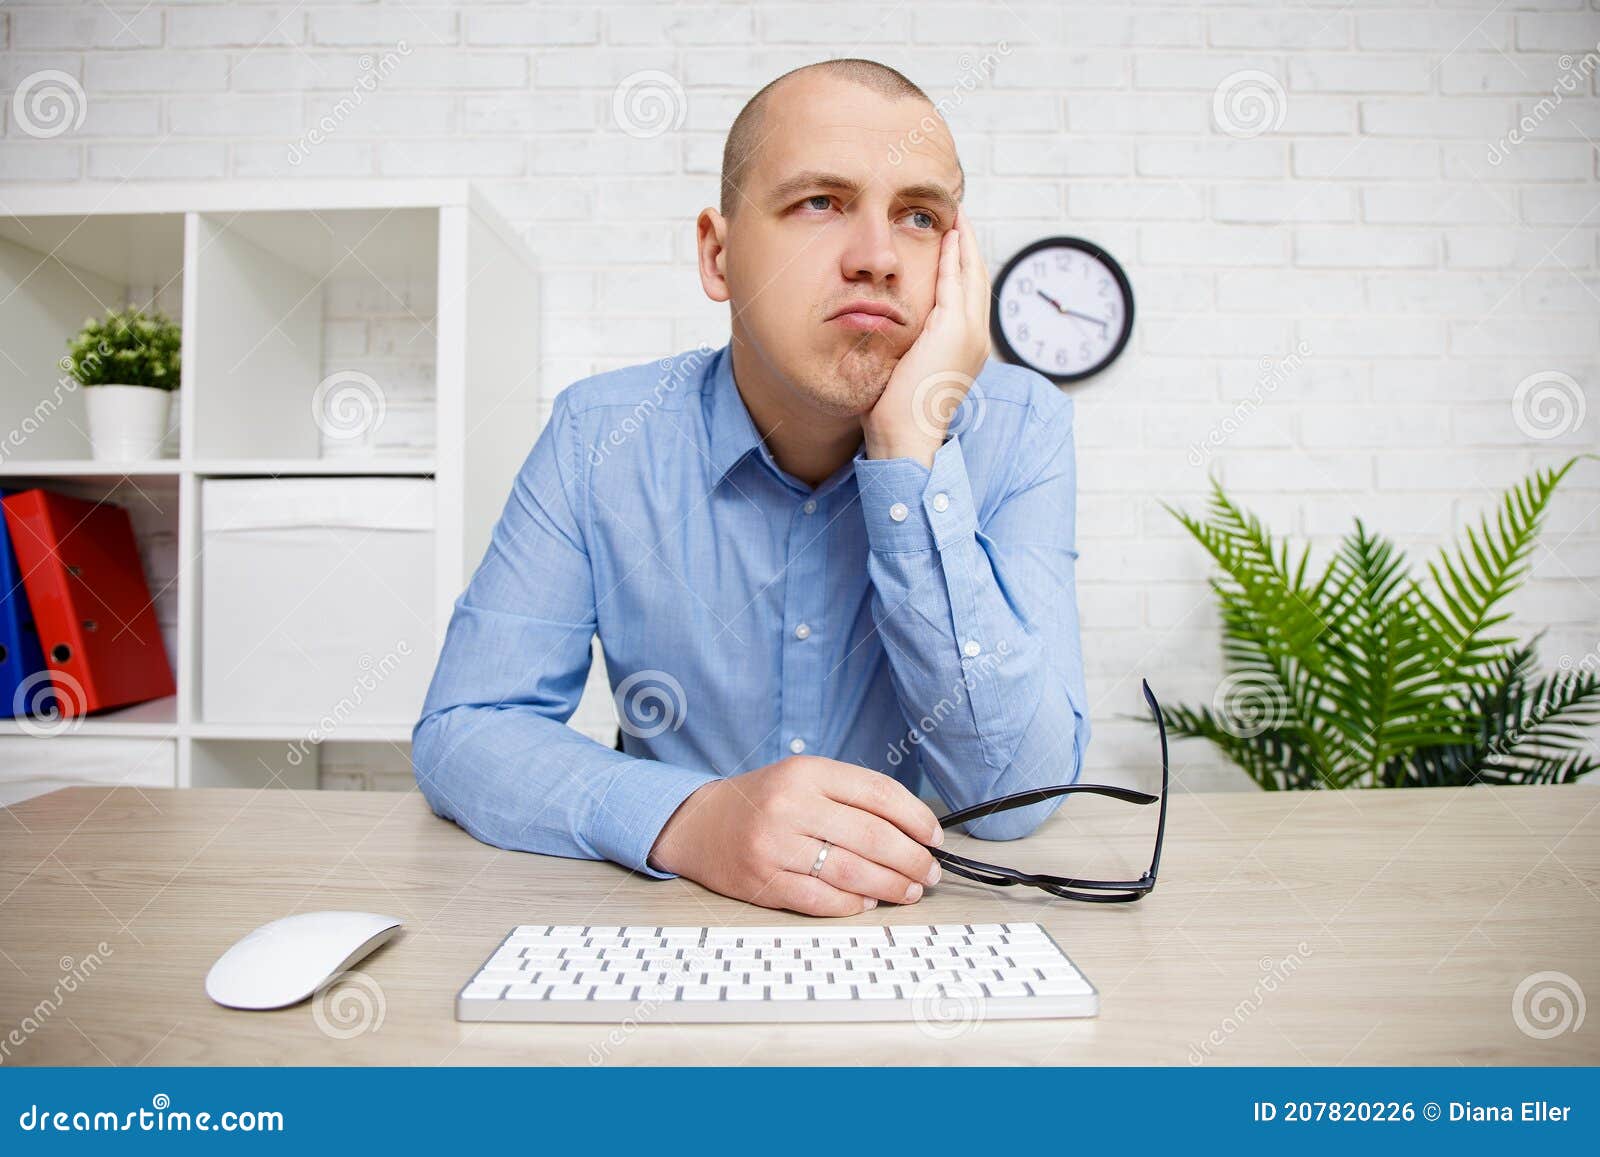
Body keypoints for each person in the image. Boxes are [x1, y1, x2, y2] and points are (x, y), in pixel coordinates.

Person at [412, 58, 1091, 917]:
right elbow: (466, 728)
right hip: (670, 922)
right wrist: (693, 820)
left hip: (925, 934)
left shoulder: (1023, 427)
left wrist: (908, 448)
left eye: (919, 217)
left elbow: (1018, 796)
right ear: (718, 252)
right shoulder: (599, 436)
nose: (879, 258)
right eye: (820, 203)